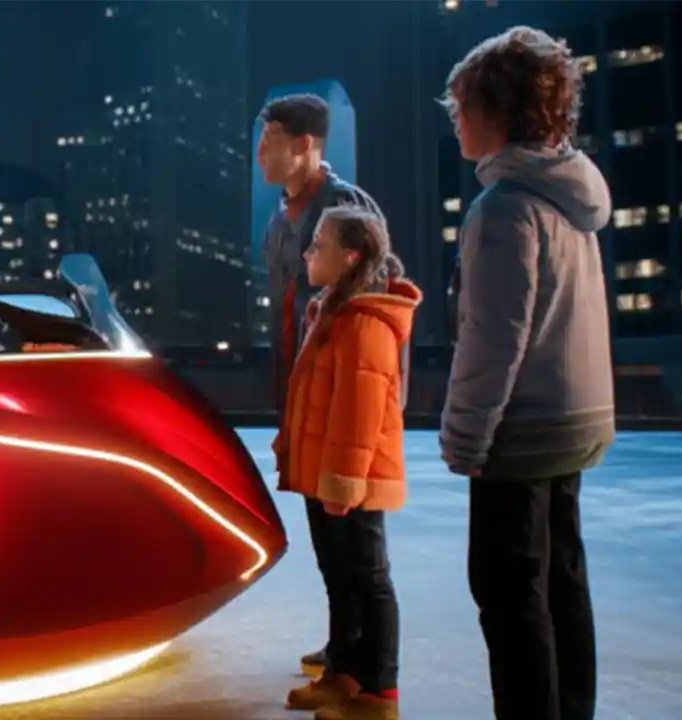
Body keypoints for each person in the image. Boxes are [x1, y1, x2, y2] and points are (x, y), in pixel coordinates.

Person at [439, 26, 613, 720]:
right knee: (562, 579)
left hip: (523, 428)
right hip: (575, 421)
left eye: (463, 106)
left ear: (499, 110)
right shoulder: (571, 202)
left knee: (509, 592)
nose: (455, 118)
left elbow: (493, 339)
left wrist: (466, 438)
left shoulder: (505, 207)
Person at [257, 92, 386, 680]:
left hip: (344, 403)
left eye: (270, 141)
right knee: (325, 537)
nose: (260, 153)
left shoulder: (346, 209)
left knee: (356, 541)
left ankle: (366, 670)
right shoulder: (278, 219)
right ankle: (342, 648)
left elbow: (377, 313)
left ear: (304, 144)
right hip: (301, 394)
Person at [275, 206, 418, 720]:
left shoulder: (366, 322)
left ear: (351, 256)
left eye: (320, 243)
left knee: (368, 579)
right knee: (339, 575)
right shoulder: (331, 313)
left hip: (353, 479)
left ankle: (380, 693)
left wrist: (343, 483)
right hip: (326, 475)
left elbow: (359, 413)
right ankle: (344, 675)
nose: (309, 252)